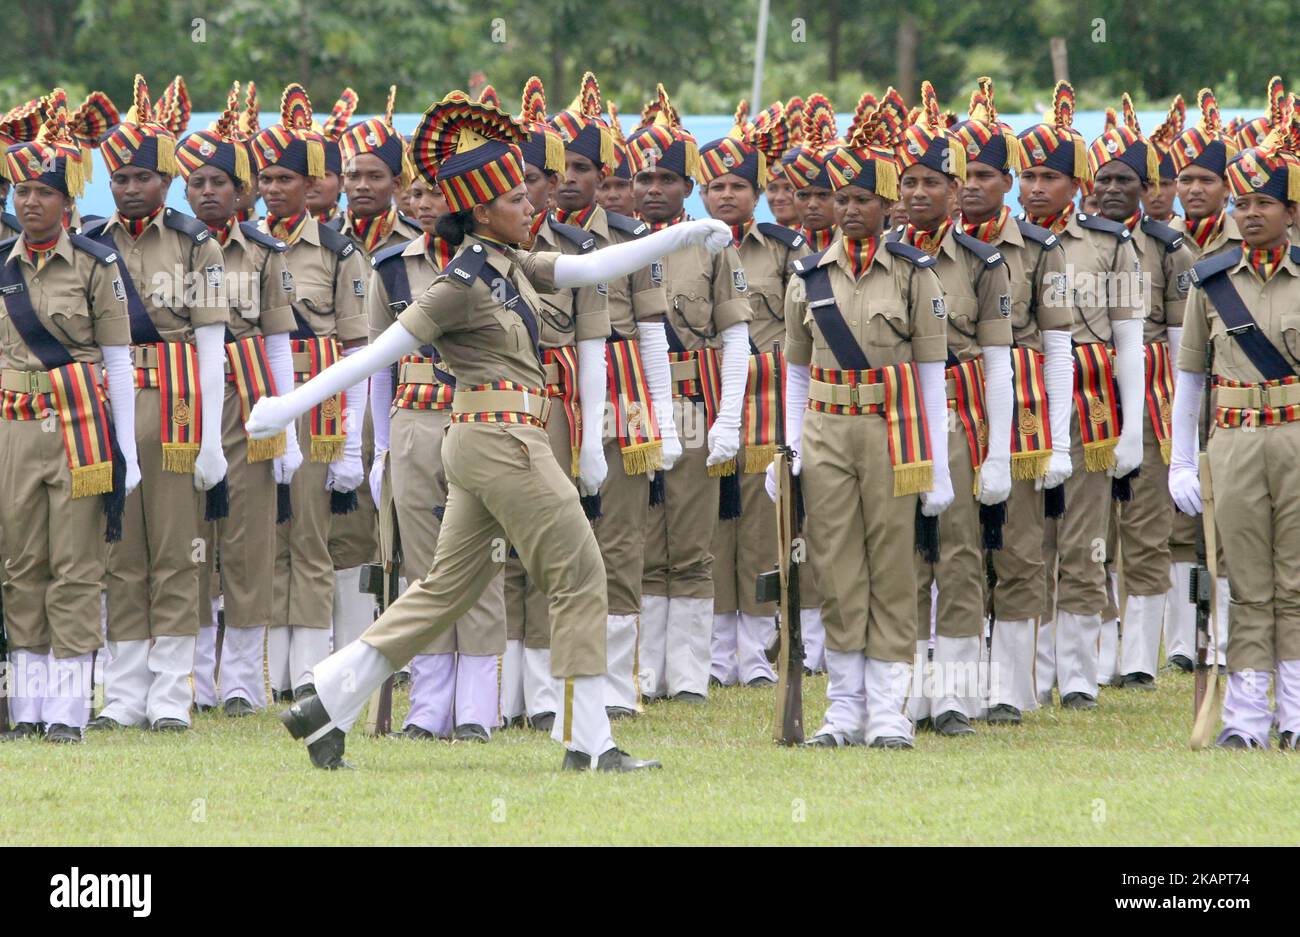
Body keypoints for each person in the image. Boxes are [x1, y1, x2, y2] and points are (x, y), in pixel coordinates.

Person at [249, 91, 732, 771]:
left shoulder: (512, 263)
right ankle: (589, 743)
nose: (532, 205)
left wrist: (680, 235)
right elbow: (376, 353)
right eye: (515, 197)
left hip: (489, 441)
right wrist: (288, 404)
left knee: (444, 587)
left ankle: (327, 699)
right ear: (481, 211)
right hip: (501, 438)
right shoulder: (460, 281)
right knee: (581, 572)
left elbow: (590, 268)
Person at [774, 96, 953, 748]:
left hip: (892, 432)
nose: (848, 208)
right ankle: (843, 708)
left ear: (887, 207)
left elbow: (932, 373)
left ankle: (888, 708)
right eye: (838, 196)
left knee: (893, 567)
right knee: (836, 566)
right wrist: (790, 449)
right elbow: (796, 371)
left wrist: (932, 461)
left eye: (861, 198)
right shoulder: (807, 276)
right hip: (824, 429)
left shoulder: (913, 274)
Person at [85, 76, 229, 733]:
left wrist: (211, 438)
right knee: (118, 552)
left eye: (142, 176)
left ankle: (172, 692)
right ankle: (123, 692)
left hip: (174, 408)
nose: (129, 187)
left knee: (177, 552)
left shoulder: (198, 243)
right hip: (108, 410)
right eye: (120, 177)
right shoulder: (90, 242)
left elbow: (210, 347)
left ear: (167, 181)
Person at [0, 88, 135, 744]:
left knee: (76, 564)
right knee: (21, 564)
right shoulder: (0, 267)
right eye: (21, 190)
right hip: (13, 428)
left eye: (42, 192)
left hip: (79, 428)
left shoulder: (96, 263)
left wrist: (128, 454)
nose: (29, 202)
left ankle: (67, 709)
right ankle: (26, 706)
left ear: (67, 199)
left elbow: (117, 361)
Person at [364, 129, 509, 743]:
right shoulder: (392, 269)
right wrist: (378, 450)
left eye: (438, 194)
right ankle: (428, 708)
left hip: (480, 417)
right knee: (424, 567)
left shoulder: (502, 266)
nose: (426, 204)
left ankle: (478, 706)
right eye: (418, 192)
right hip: (415, 422)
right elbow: (377, 363)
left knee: (481, 563)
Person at [1169, 111, 1300, 750]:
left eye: (1264, 203)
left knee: (1297, 579)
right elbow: (1190, 379)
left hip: (1297, 438)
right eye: (1242, 202)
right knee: (1245, 581)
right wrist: (1180, 462)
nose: (1250, 214)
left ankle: (1296, 715)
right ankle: (1246, 718)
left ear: (1291, 211)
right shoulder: (1210, 281)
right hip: (1234, 440)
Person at [889, 82, 1013, 735]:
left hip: (960, 418)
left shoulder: (981, 262)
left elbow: (999, 361)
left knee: (961, 553)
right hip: (892, 417)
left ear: (955, 187)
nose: (917, 193)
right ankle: (905, 688)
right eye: (907, 180)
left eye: (931, 181)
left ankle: (956, 695)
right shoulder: (878, 258)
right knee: (902, 553)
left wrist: (998, 453)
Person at [549, 72, 672, 719]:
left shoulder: (630, 237)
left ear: (603, 173)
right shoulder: (526, 231)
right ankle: (549, 684)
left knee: (620, 542)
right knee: (552, 542)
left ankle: (617, 687)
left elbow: (652, 335)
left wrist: (667, 425)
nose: (569, 178)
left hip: (621, 398)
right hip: (551, 397)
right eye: (558, 165)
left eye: (582, 166)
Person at [1018, 81, 1145, 710]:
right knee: (1027, 540)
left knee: (1085, 537)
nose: (1037, 187)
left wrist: (1133, 430)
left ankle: (1076, 673)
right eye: (1029, 175)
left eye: (1050, 176)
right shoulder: (1002, 246)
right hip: (1020, 403)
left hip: (1090, 403)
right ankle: (1031, 670)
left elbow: (1130, 338)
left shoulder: (1110, 243)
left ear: (1077, 185)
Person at [176, 81, 300, 717]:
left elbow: (279, 343)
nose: (205, 192)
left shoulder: (264, 253)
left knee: (248, 543)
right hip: (182, 401)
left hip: (249, 402)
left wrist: (292, 432)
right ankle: (193, 677)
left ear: (241, 192)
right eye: (194, 182)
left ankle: (243, 683)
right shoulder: (168, 246)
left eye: (218, 182)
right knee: (190, 539)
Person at [951, 78, 1072, 724]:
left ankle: (1010, 687)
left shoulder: (1039, 248)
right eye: (961, 172)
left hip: (1018, 410)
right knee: (955, 547)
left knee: (1019, 549)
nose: (971, 184)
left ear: (1008, 180)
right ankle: (958, 684)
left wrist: (1054, 437)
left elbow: (1058, 348)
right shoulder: (925, 249)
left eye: (985, 173)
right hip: (951, 409)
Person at [628, 84, 752, 704]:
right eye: (642, 177)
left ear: (688, 187)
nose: (653, 188)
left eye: (666, 179)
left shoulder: (711, 243)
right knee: (644, 541)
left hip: (696, 406)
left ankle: (689, 675)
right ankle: (645, 671)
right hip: (631, 408)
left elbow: (737, 340)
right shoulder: (615, 248)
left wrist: (728, 420)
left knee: (693, 542)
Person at [250, 83, 370, 708]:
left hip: (318, 407)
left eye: (285, 180)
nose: (273, 189)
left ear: (311, 184)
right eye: (265, 178)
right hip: (256, 402)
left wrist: (351, 442)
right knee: (262, 537)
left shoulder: (338, 251)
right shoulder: (240, 244)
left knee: (310, 540)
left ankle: (310, 672)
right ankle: (267, 670)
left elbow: (356, 352)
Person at [698, 101, 814, 689]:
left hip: (769, 396)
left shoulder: (783, 247)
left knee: (764, 522)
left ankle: (757, 649)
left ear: (758, 191)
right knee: (717, 524)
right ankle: (717, 654)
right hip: (708, 397)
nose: (726, 196)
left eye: (738, 185)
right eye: (715, 185)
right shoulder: (687, 246)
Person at [1087, 94, 1194, 692]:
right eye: (1100, 178)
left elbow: (1183, 342)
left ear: (1146, 185)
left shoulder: (1169, 247)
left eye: (1123, 179)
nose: (1109, 189)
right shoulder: (1076, 242)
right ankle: (1098, 648)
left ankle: (1139, 657)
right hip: (1089, 393)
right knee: (1090, 522)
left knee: (1147, 526)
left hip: (1152, 393)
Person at [328, 86, 423, 685]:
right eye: (351, 174)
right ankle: (348, 656)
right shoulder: (319, 240)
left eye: (373, 174)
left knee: (402, 526)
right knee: (342, 532)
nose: (360, 185)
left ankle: (403, 655)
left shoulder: (416, 244)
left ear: (396, 180)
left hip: (401, 401)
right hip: (336, 403)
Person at [1163, 87, 1243, 672]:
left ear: (1228, 188)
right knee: (1182, 522)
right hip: (1177, 395)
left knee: (1238, 524)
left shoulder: (1247, 243)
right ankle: (1188, 639)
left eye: (1204, 180)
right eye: (1184, 178)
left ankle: (1231, 638)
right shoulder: (1164, 244)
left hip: (1241, 401)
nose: (1192, 188)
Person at [779, 94, 839, 253]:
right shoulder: (778, 249)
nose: (812, 205)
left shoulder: (860, 248)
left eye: (823, 195)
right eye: (803, 196)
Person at [306, 88, 356, 225]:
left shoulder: (353, 231)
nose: (311, 182)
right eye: (304, 174)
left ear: (341, 182)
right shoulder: (272, 235)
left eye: (322, 174)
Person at [1144, 95, 1186, 223]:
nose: (1157, 193)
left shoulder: (1190, 235)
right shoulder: (1125, 236)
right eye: (1150, 185)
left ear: (1177, 186)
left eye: (1164, 184)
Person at [594, 102, 636, 217]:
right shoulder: (579, 233)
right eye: (604, 187)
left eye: (622, 185)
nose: (612, 195)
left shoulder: (654, 233)